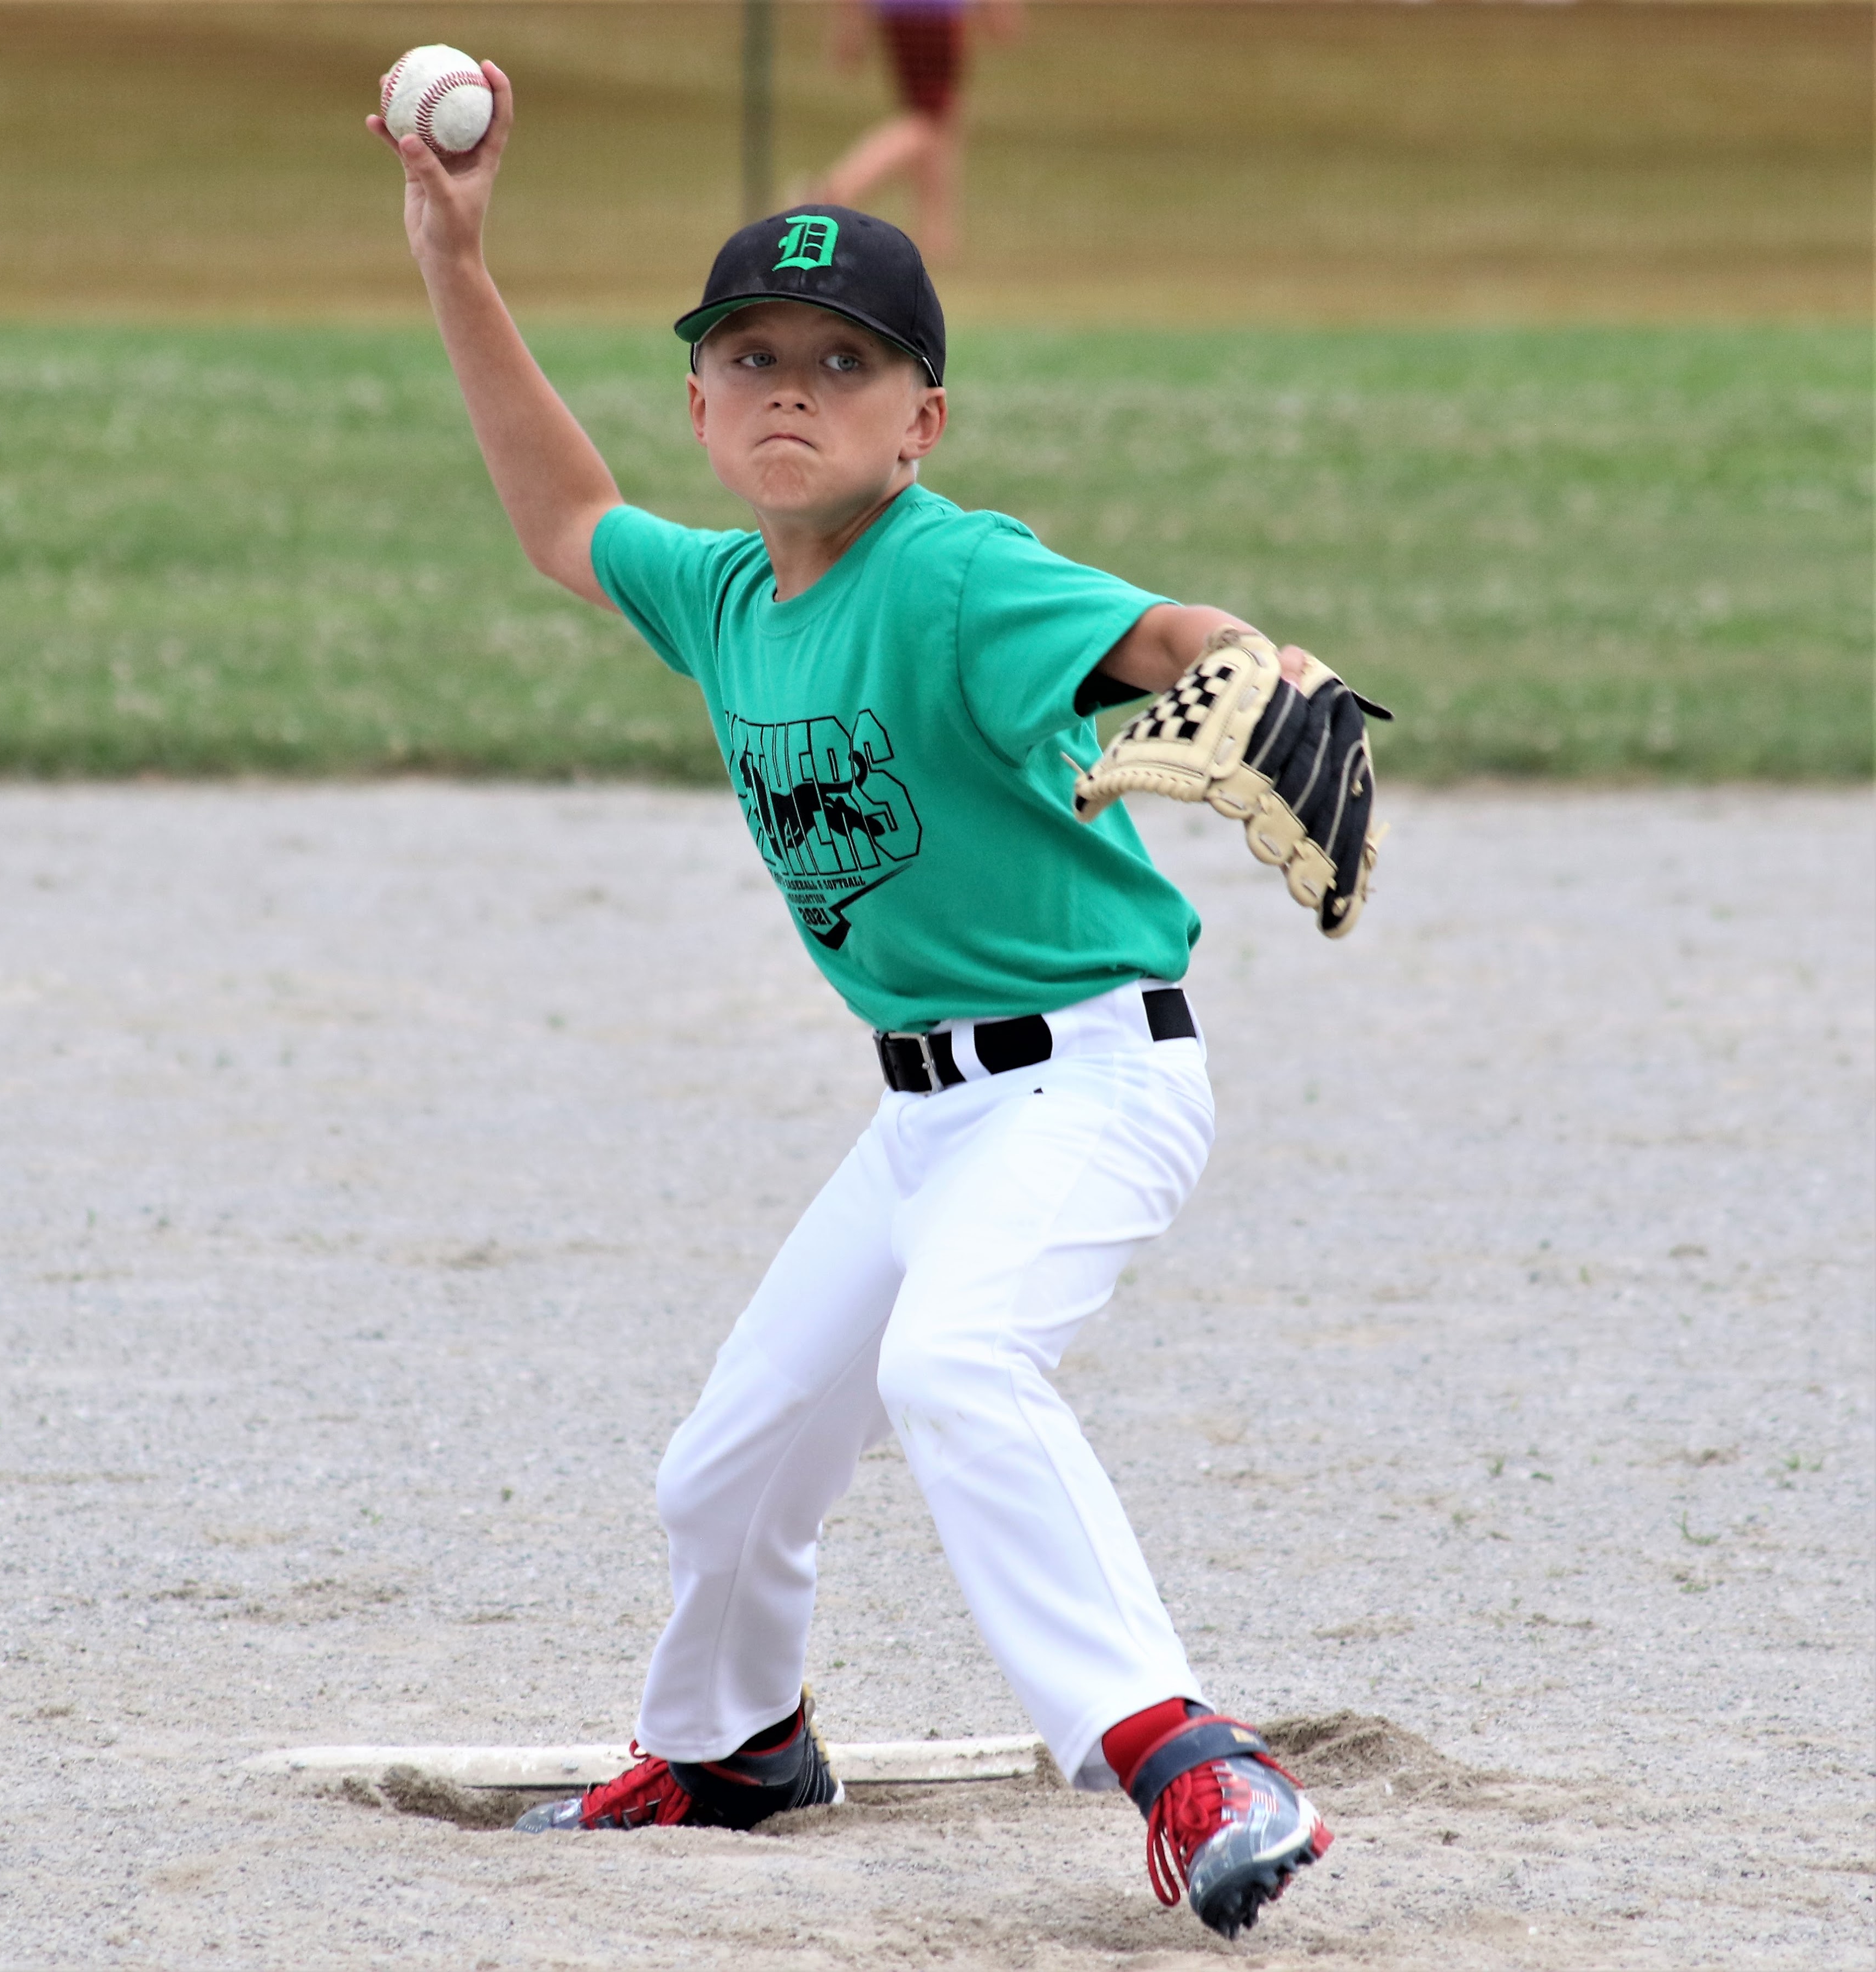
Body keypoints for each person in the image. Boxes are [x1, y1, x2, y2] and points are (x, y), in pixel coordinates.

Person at [368, 66, 1334, 1942]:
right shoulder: (728, 593)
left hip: (1089, 1080)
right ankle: (733, 1743)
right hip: (929, 1118)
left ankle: (1183, 1753)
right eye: (750, 355)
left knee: (953, 1367)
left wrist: (1249, 660)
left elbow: (1153, 636)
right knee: (724, 1467)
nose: (789, 384)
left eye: (841, 356)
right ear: (704, 405)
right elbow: (564, 519)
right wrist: (452, 255)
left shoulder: (951, 568)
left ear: (921, 416)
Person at [813, 0, 1020, 261]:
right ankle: (834, 190)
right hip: (938, 12)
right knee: (930, 121)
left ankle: (936, 236)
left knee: (941, 117)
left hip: (900, 12)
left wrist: (851, 22)